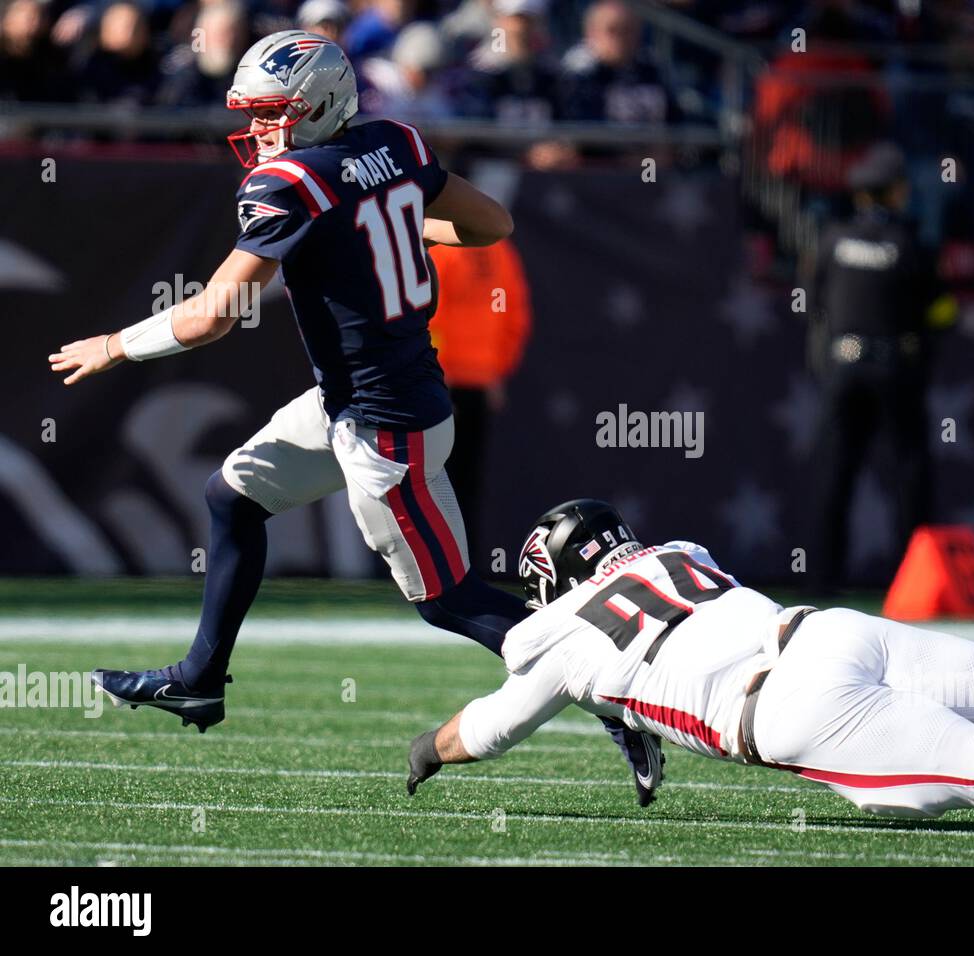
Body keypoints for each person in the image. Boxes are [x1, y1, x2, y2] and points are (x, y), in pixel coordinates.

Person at [47, 30, 661, 805]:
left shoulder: (293, 183)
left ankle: (611, 690)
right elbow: (491, 223)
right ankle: (199, 679)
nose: (261, 129)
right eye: (256, 113)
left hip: (384, 425)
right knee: (232, 495)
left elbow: (213, 316)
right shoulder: (394, 142)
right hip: (358, 401)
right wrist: (395, 220)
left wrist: (114, 345)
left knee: (447, 598)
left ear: (320, 105)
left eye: (275, 112)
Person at [405, 499, 974, 842]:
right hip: (825, 629)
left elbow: (487, 729)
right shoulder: (678, 550)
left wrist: (429, 748)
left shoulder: (557, 633)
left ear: (554, 576)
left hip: (784, 709)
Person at [806, 141, 954, 590]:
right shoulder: (909, 244)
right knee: (910, 474)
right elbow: (940, 309)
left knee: (834, 472)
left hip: (843, 369)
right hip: (896, 370)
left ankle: (821, 583)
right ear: (892, 192)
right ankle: (913, 586)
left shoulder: (831, 240)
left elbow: (814, 303)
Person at [426, 238, 532, 552]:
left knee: (433, 480)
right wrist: (496, 371)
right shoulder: (501, 252)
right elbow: (516, 316)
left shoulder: (441, 251)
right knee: (468, 482)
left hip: (444, 381)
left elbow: (431, 313)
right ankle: (464, 565)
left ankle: (438, 563)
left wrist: (435, 369)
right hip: (479, 383)